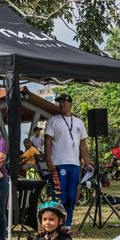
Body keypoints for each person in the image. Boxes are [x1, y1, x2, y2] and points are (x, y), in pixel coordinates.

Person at [44, 93, 91, 228]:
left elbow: (83, 144)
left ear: (70, 104)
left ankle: (68, 223)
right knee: (59, 194)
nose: (62, 105)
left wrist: (87, 162)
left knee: (72, 195)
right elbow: (47, 141)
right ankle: (56, 223)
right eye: (59, 103)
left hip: (74, 164)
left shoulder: (78, 122)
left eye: (64, 102)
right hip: (58, 163)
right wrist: (48, 160)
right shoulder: (53, 120)